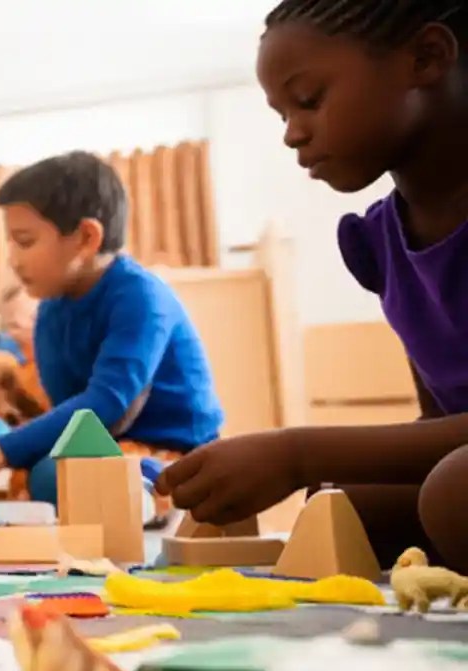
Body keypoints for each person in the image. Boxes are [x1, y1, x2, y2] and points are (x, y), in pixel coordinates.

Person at [158, 0, 468, 571]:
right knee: (340, 507)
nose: (293, 135)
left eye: (309, 101)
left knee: (453, 491)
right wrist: (303, 464)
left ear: (425, 58)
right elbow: (441, 422)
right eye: (282, 115)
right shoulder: (382, 242)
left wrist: (297, 451)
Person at [0, 151, 225, 527]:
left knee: (56, 477)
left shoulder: (141, 297)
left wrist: (3, 449)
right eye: (11, 244)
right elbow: (68, 410)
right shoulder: (52, 309)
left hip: (171, 451)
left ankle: (143, 501)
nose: (13, 261)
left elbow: (108, 405)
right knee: (5, 444)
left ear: (85, 238)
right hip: (100, 442)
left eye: (25, 241)